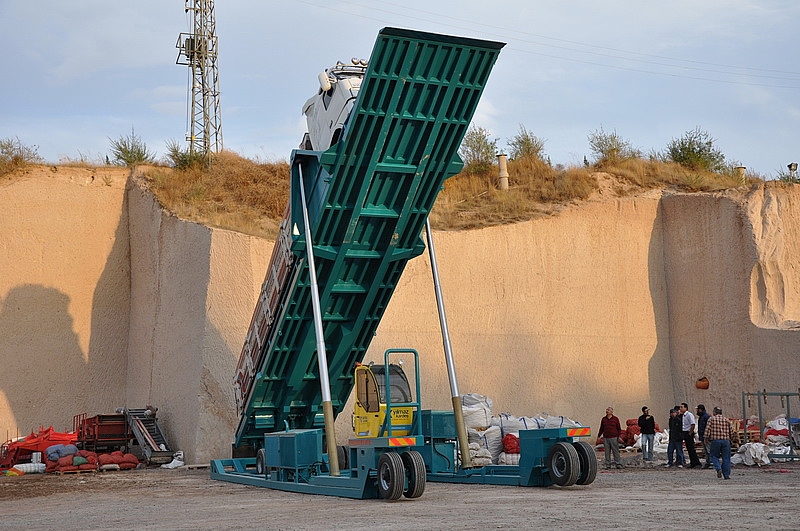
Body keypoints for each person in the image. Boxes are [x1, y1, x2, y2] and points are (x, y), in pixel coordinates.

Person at [705, 406, 733, 479]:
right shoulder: (726, 420)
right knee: (726, 458)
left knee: (714, 456)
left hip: (715, 441)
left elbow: (707, 430)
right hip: (726, 441)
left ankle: (718, 468)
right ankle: (726, 475)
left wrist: (706, 438)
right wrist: (731, 438)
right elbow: (732, 431)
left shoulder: (711, 419)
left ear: (714, 412)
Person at [679, 402, 702, 468]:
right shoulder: (683, 416)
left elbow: (692, 424)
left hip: (688, 432)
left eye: (682, 407)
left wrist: (690, 433)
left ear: (685, 408)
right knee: (689, 449)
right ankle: (692, 463)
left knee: (691, 448)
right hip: (685, 432)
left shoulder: (689, 415)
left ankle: (696, 462)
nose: (680, 408)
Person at [696, 404, 711, 469]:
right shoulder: (702, 417)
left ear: (700, 410)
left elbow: (708, 428)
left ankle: (711, 463)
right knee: (706, 450)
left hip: (706, 437)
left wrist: (706, 436)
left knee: (709, 450)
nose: (697, 411)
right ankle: (708, 462)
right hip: (703, 437)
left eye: (697, 409)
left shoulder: (706, 417)